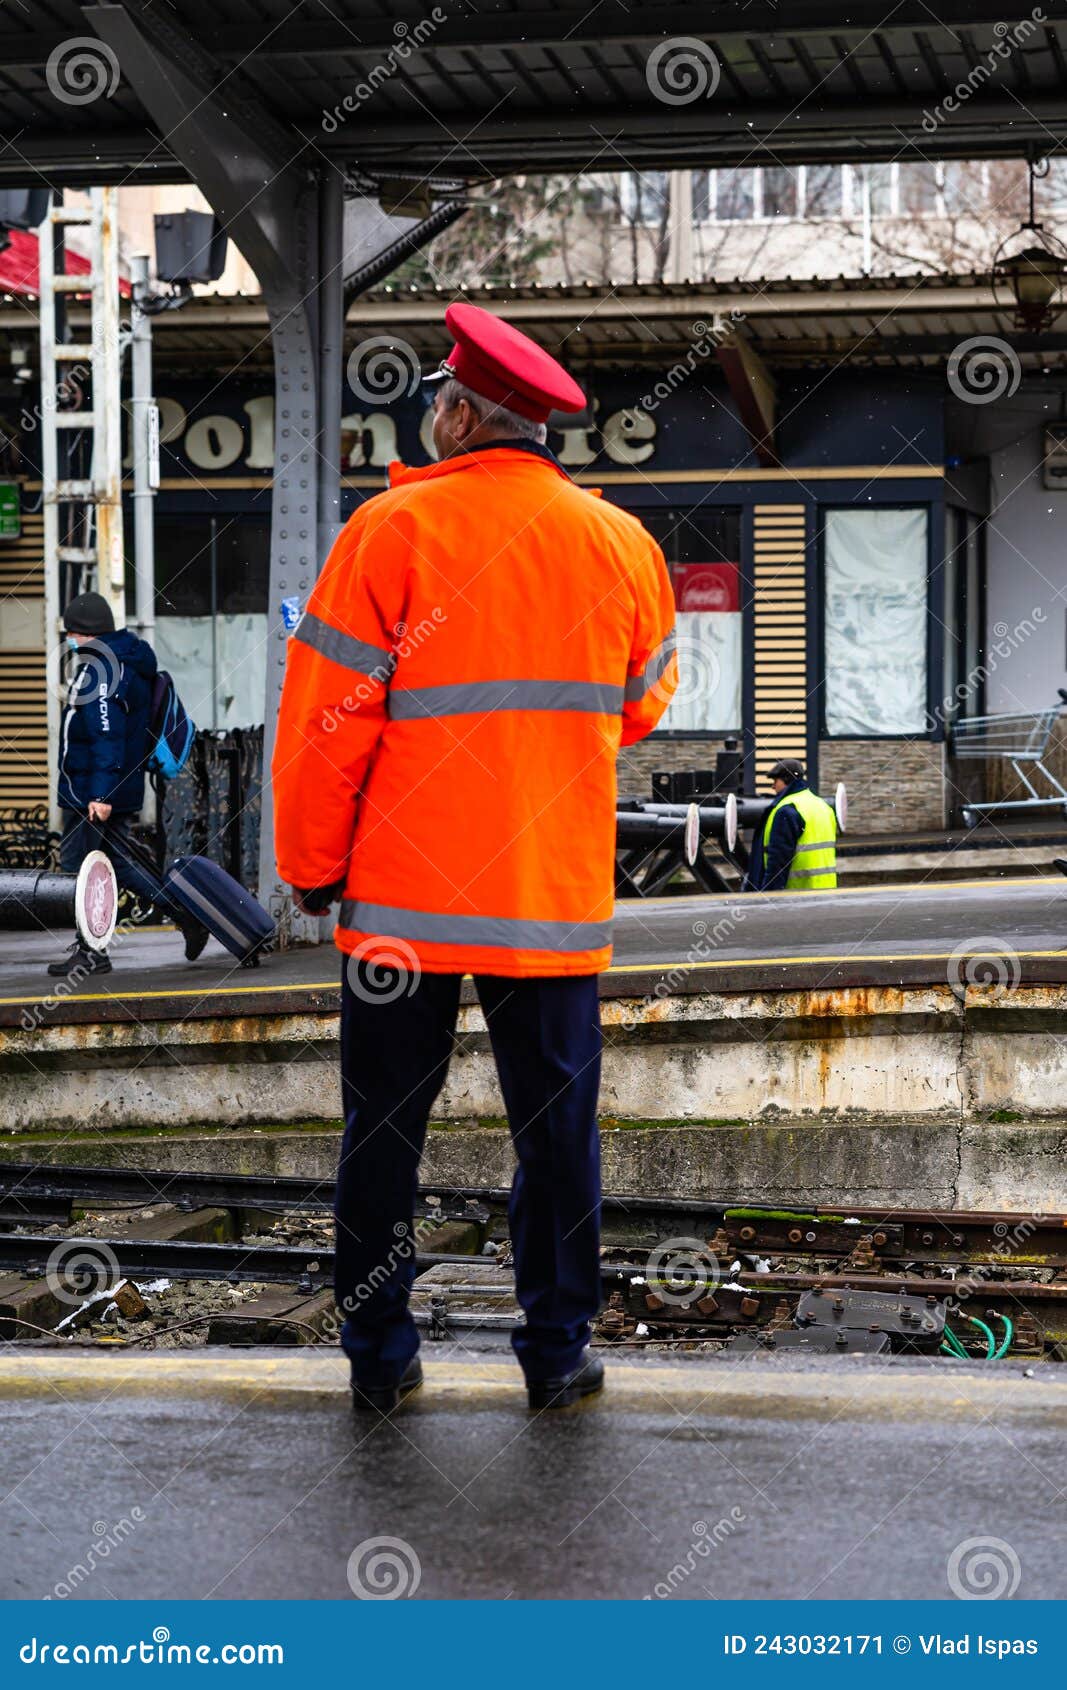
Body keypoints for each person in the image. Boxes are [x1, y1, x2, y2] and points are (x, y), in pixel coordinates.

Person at [273, 301, 677, 1414]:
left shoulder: (387, 535)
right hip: (545, 903)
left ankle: (382, 1357)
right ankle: (556, 1352)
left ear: (457, 413)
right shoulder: (619, 543)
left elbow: (322, 725)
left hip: (401, 905)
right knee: (557, 1139)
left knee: (384, 1132)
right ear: (535, 431)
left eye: (435, 404)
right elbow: (639, 707)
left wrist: (312, 869)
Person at [49, 591, 207, 976]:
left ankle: (91, 951)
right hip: (101, 787)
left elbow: (107, 734)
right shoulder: (120, 660)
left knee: (79, 869)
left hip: (94, 792)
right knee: (116, 863)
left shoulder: (103, 669)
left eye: (71, 633)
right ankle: (183, 916)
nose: (69, 640)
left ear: (85, 633)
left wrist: (101, 794)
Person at [743, 758, 837, 892]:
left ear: (787, 779)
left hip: (797, 895)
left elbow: (778, 860)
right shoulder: (823, 806)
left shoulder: (787, 809)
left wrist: (770, 895)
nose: (773, 786)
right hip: (827, 889)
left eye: (775, 781)